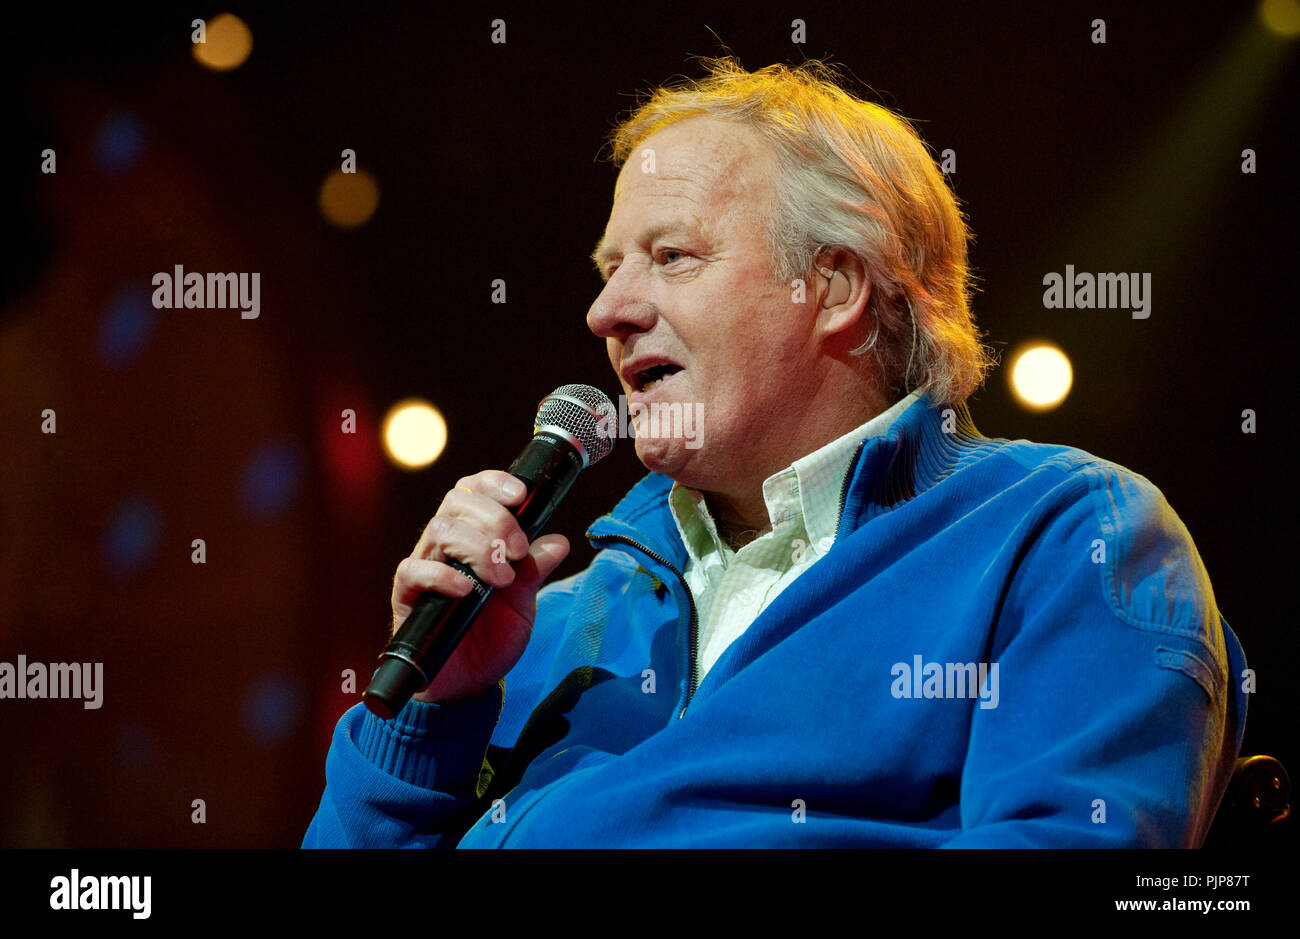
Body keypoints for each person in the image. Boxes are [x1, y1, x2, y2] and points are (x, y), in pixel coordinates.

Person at [303, 58, 1246, 848]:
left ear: (830, 287)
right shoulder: (546, 624)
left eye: (672, 257)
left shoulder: (1061, 537)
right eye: (608, 268)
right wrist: (427, 719)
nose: (607, 312)